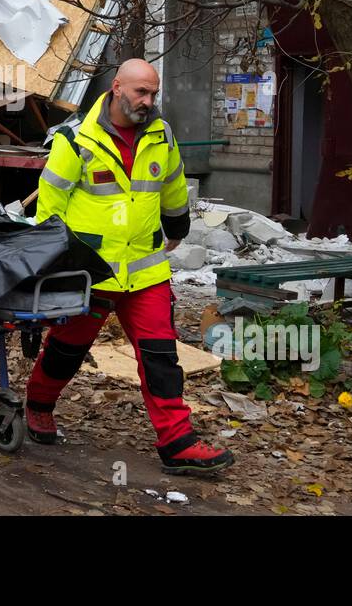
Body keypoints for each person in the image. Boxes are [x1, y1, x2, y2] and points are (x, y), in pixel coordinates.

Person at [26, 58, 235, 475]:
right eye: (141, 92)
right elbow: (51, 203)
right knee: (67, 349)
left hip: (144, 272)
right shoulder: (75, 138)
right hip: (92, 270)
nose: (149, 101)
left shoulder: (161, 133)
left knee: (161, 356)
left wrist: (177, 223)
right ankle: (38, 405)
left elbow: (173, 182)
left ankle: (178, 443)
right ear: (117, 87)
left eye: (154, 93)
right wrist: (56, 262)